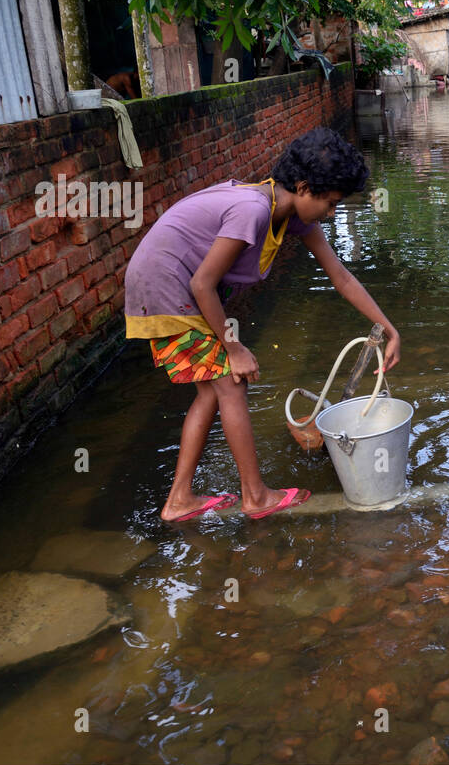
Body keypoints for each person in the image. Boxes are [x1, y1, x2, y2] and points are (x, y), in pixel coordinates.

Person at [124, 128, 401, 521]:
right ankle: (255, 497)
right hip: (166, 288)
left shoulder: (291, 216)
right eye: (331, 203)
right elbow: (201, 283)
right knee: (231, 383)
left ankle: (179, 500)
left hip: (172, 288)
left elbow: (341, 277)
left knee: (211, 392)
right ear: (304, 187)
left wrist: (389, 329)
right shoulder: (252, 210)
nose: (332, 213)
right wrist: (234, 349)